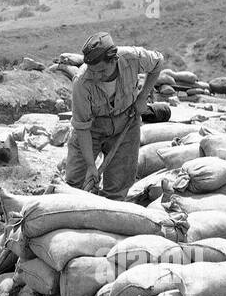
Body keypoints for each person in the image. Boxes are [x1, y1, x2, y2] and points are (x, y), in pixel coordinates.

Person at [66, 32, 164, 200]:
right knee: (75, 183)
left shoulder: (132, 58)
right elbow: (82, 128)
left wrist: (142, 97)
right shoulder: (81, 83)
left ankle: (110, 214)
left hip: (127, 122)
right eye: (93, 71)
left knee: (118, 185)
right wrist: (91, 165)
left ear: (114, 60)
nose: (97, 76)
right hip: (92, 129)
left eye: (102, 71)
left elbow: (158, 62)